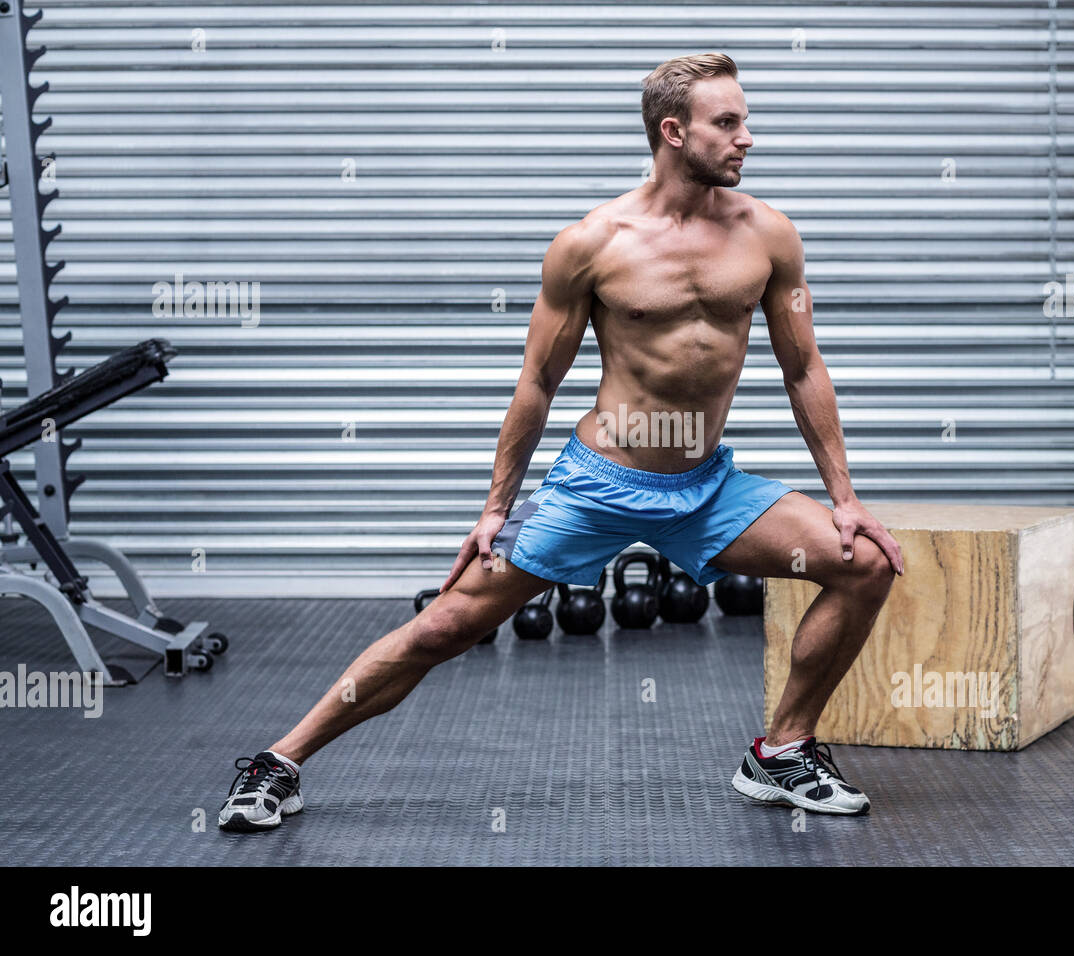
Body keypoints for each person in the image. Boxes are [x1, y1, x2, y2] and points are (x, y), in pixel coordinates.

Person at [218, 52, 903, 832]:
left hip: (707, 488)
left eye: (745, 120)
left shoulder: (771, 236)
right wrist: (494, 509)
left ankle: (780, 752)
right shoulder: (591, 245)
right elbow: (536, 384)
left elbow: (803, 366)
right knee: (447, 624)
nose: (749, 138)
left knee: (866, 564)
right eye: (730, 123)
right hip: (597, 484)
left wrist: (844, 499)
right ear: (673, 132)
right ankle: (279, 762)